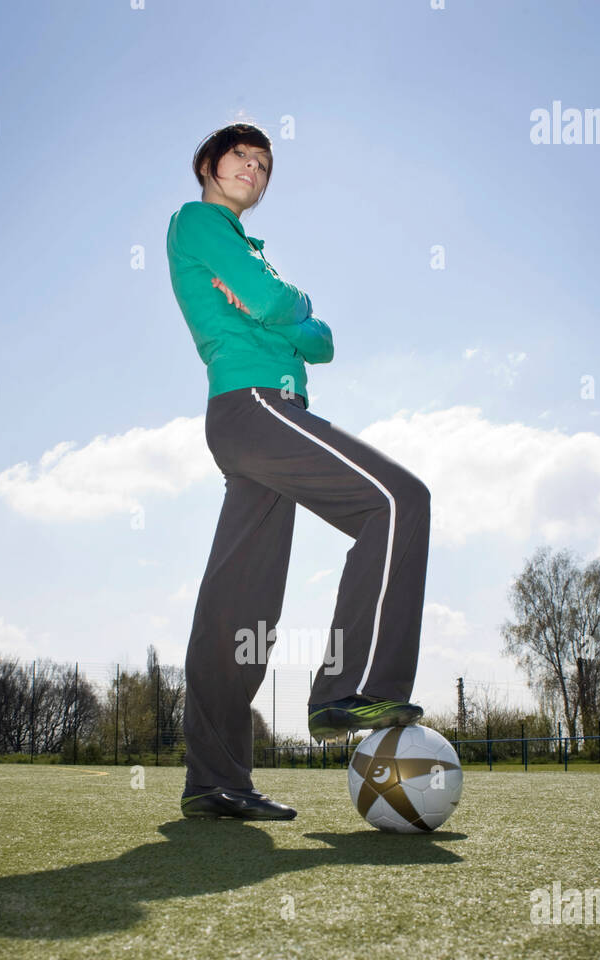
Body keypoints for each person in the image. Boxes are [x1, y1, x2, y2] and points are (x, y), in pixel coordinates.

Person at [166, 123, 431, 820]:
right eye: (239, 156)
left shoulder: (248, 251)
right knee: (398, 501)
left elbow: (322, 343)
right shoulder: (198, 222)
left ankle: (215, 779)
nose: (252, 167)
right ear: (207, 164)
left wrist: (278, 311)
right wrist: (287, 310)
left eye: (263, 162)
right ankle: (351, 687)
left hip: (255, 423)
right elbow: (282, 310)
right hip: (256, 406)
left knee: (238, 606)